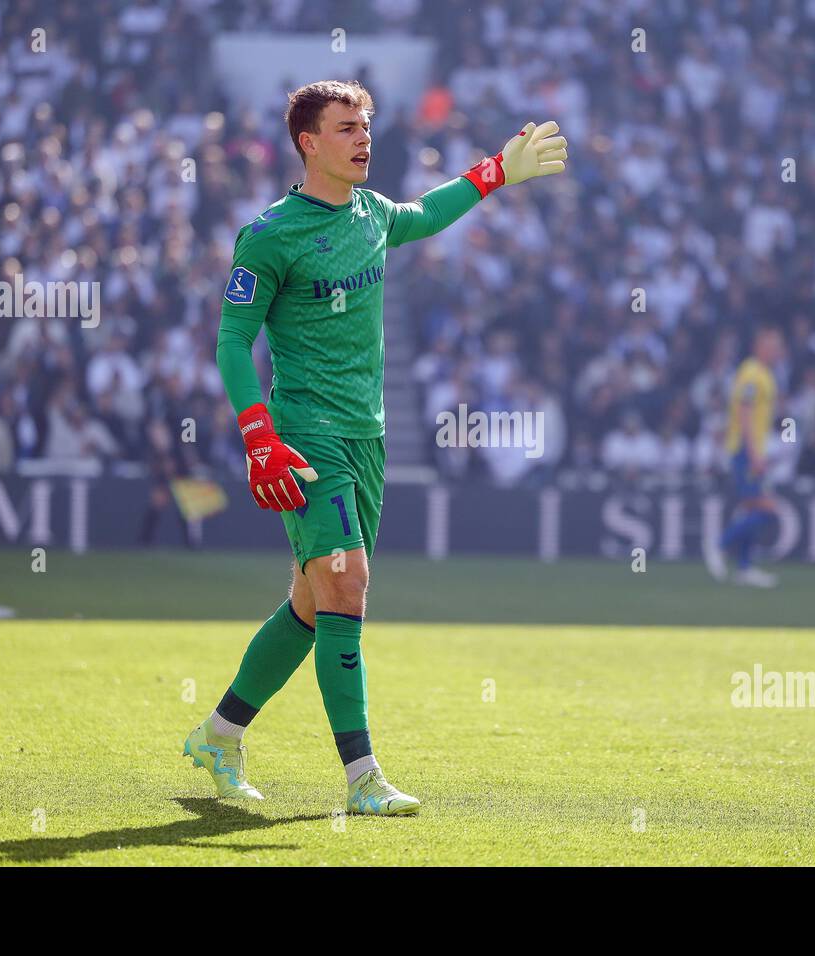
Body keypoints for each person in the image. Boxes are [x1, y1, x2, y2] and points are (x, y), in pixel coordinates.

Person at [182, 80, 567, 811]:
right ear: (308, 141)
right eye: (347, 127)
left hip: (369, 438)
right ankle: (363, 779)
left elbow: (426, 213)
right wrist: (258, 433)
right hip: (305, 437)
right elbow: (234, 340)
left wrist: (495, 171)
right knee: (348, 582)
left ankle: (219, 733)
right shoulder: (270, 234)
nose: (364, 138)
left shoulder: (370, 212)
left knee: (311, 601)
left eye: (367, 125)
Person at [707, 327, 783, 588]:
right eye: (772, 346)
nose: (776, 351)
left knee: (753, 509)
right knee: (767, 509)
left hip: (752, 450)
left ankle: (744, 568)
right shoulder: (751, 373)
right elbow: (744, 410)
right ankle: (720, 545)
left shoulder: (763, 374)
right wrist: (753, 454)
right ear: (759, 345)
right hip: (744, 450)